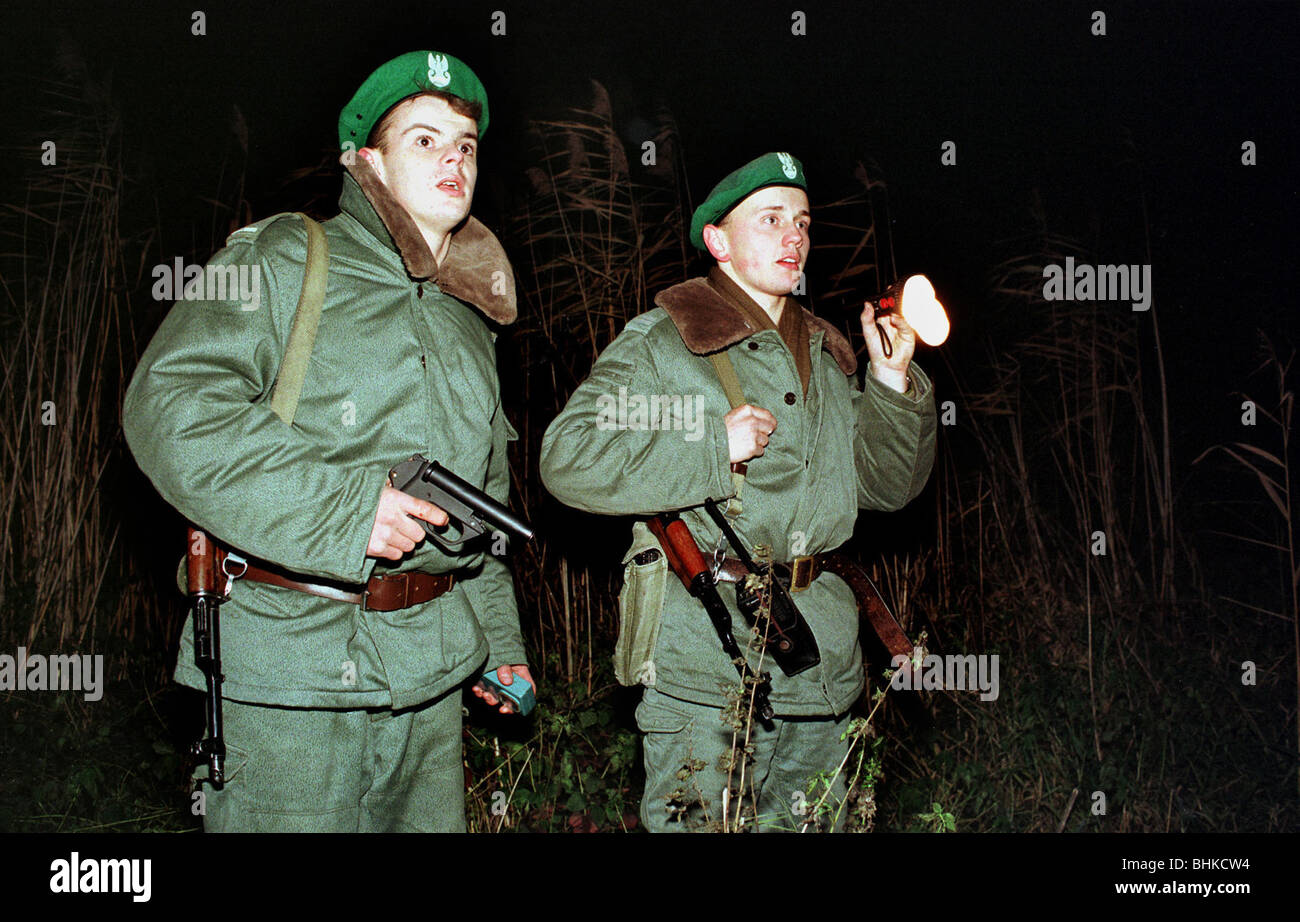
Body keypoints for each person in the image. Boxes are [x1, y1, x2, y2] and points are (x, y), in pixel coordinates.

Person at [123, 50, 533, 832]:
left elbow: (483, 501)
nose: (453, 156)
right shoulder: (284, 255)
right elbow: (170, 401)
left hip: (433, 675)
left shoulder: (469, 316)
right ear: (365, 161)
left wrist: (498, 641)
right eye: (424, 139)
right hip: (292, 678)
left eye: (466, 145)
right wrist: (348, 512)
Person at [539, 152, 937, 831]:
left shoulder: (829, 349)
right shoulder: (666, 343)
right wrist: (707, 447)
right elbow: (568, 457)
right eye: (770, 219)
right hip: (705, 666)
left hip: (822, 667)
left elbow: (888, 489)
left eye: (803, 222)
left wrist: (892, 383)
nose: (794, 237)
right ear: (718, 242)